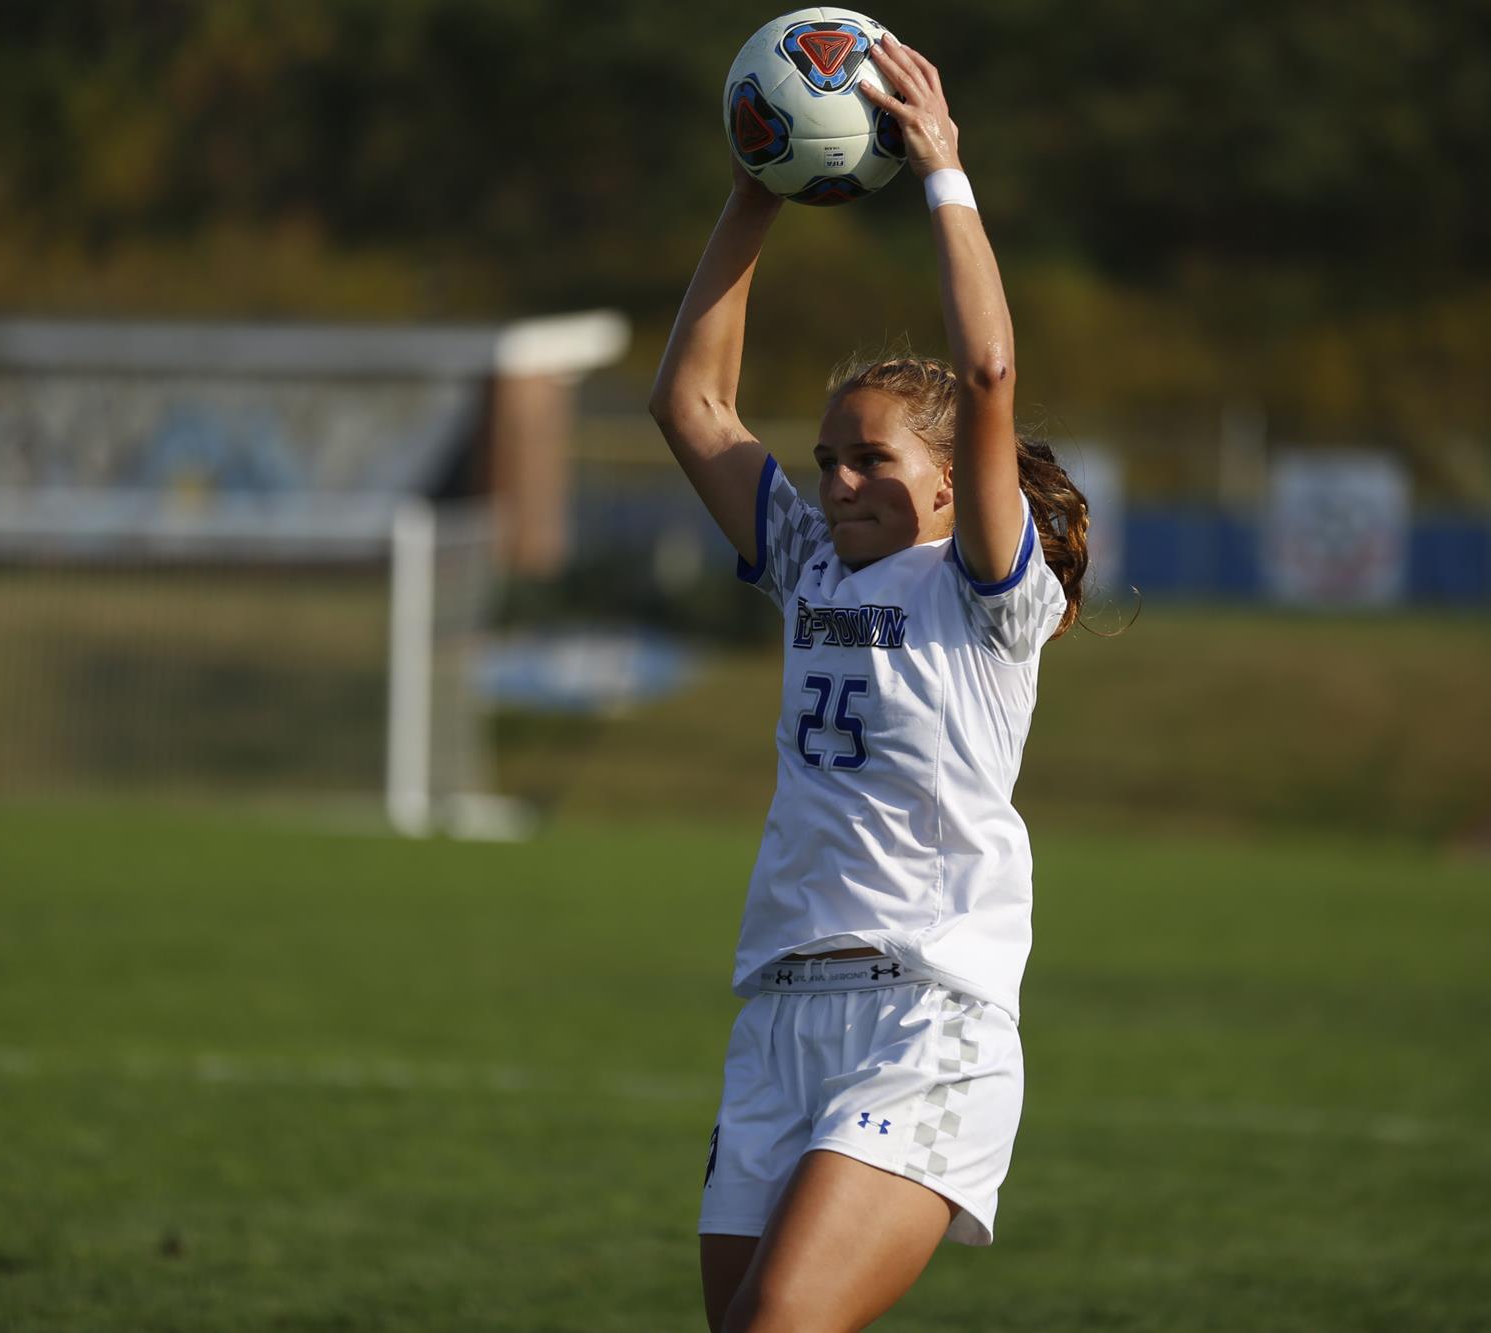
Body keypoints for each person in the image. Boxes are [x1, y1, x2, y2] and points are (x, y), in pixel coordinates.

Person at [649, 34, 1090, 1333]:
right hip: (778, 1014)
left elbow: (990, 372)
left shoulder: (985, 590)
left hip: (924, 1018)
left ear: (953, 485)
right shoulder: (807, 568)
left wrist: (945, 172)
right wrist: (755, 187)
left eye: (872, 461)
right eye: (829, 458)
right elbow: (691, 405)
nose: (837, 480)